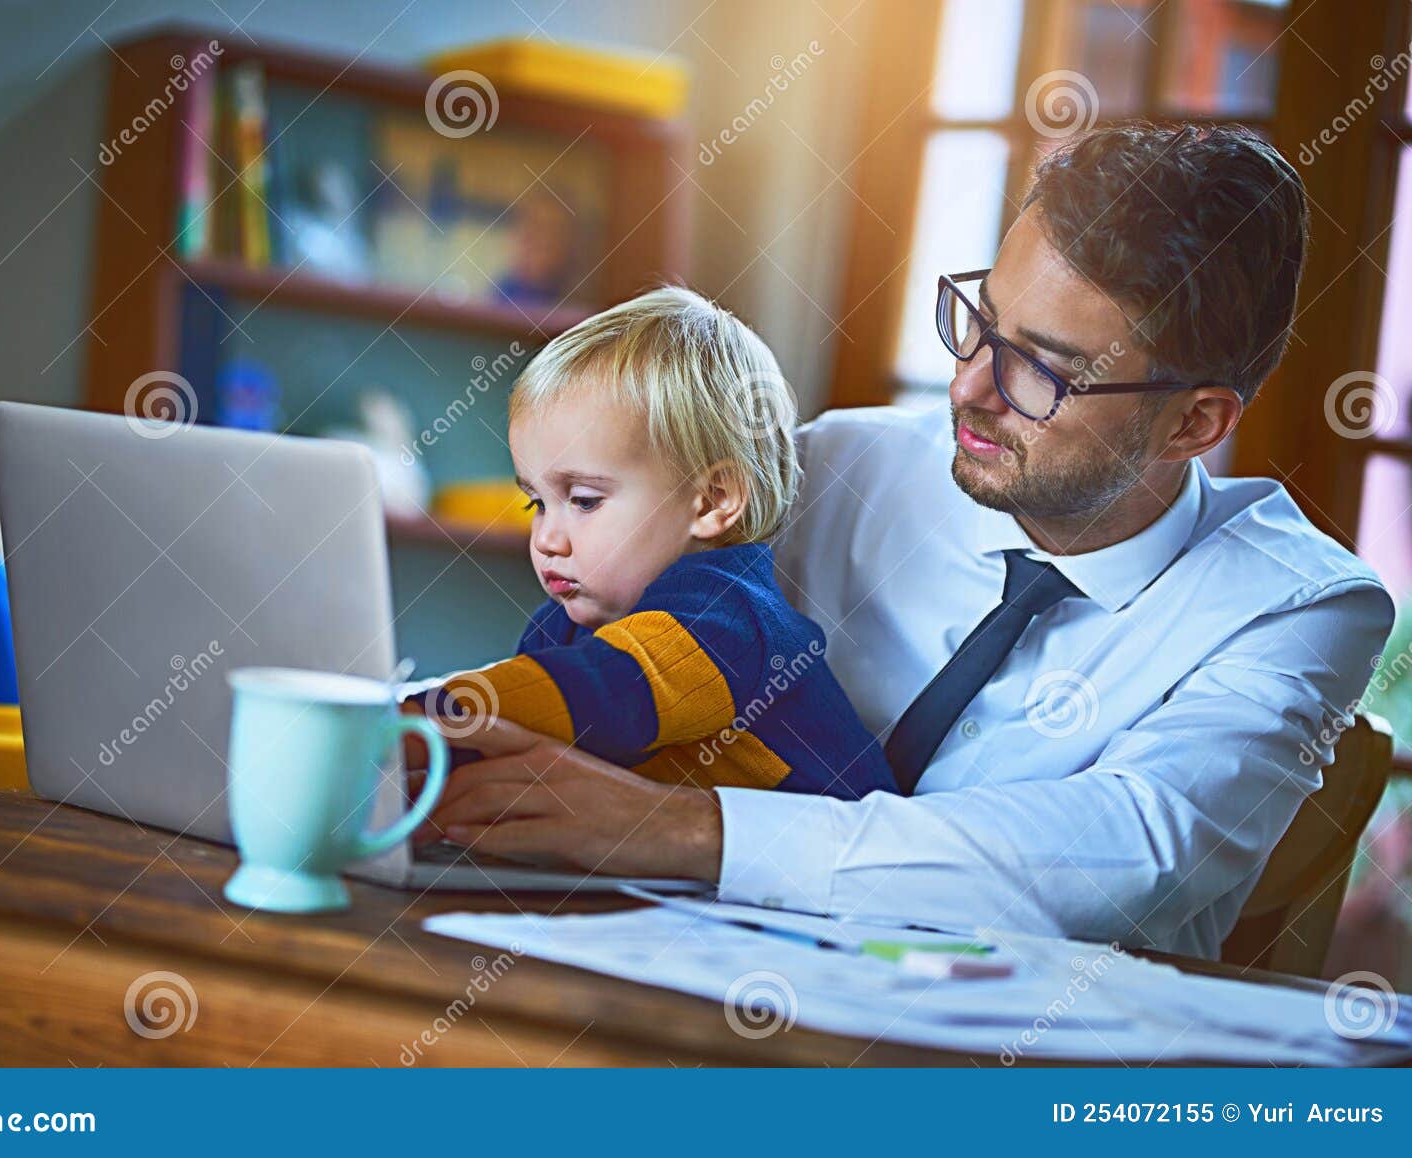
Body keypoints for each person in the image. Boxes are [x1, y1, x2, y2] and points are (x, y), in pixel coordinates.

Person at [418, 123, 1396, 959]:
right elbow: (616, 663)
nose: (967, 387)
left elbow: (1131, 856)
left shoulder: (1295, 605)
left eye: (1043, 371)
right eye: (980, 322)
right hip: (705, 991)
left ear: (1193, 423)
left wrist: (684, 831)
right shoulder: (837, 464)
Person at [412, 287, 895, 801]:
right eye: (537, 503)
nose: (547, 538)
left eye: (584, 501)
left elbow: (604, 694)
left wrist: (402, 723)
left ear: (712, 502)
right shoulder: (564, 625)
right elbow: (511, 741)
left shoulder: (730, 620)